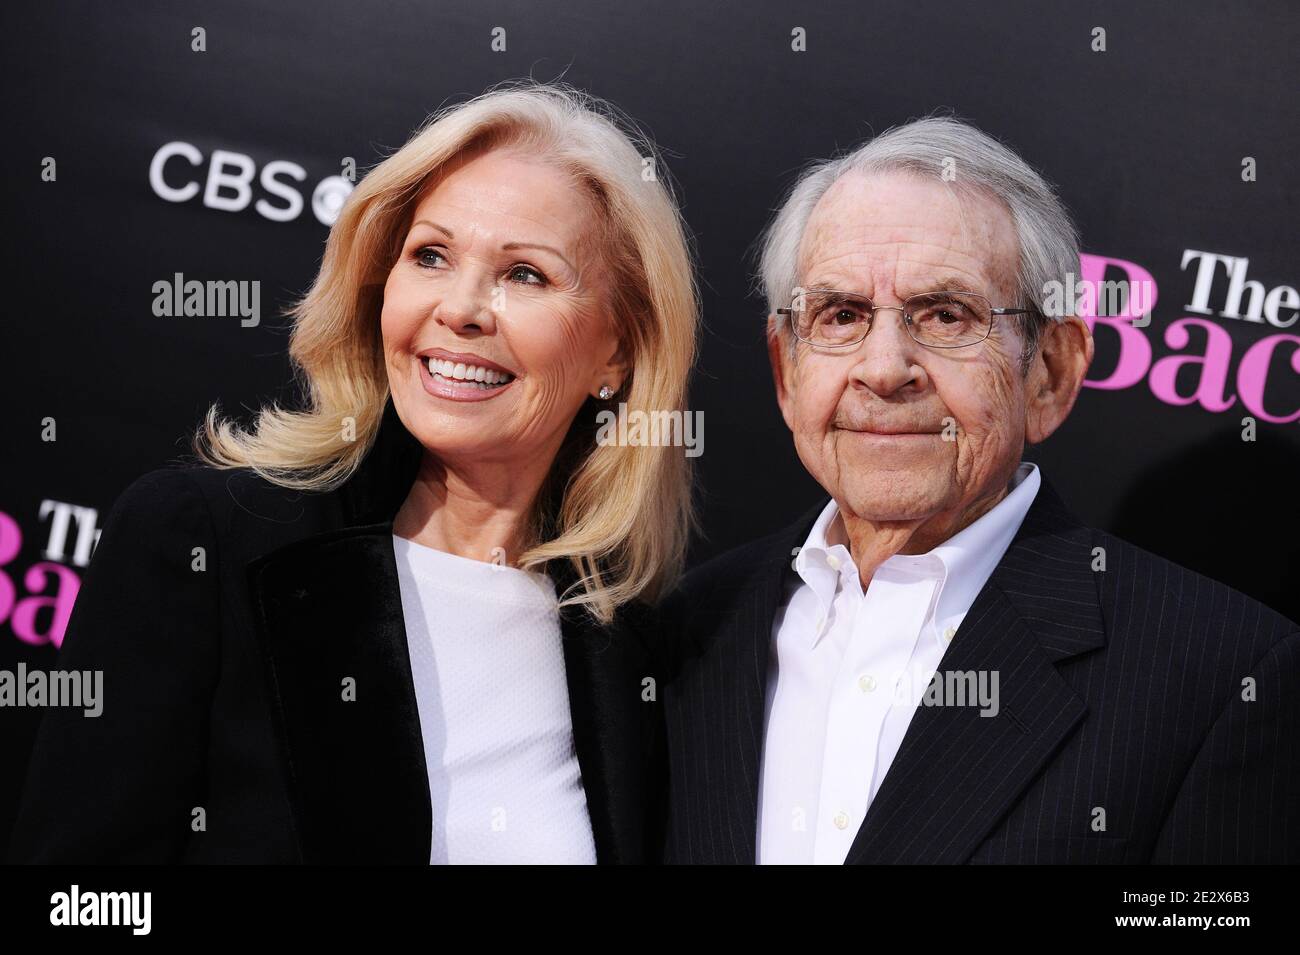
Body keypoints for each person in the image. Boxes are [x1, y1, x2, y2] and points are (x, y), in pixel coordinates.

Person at [10, 81, 697, 864]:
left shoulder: (638, 647)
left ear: (620, 349)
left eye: (526, 275)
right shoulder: (206, 541)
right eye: (430, 256)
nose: (462, 308)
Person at [658, 116, 1299, 864]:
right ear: (787, 372)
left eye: (945, 315)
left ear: (1051, 371)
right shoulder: (684, 639)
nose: (885, 367)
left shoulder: (1221, 676)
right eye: (841, 316)